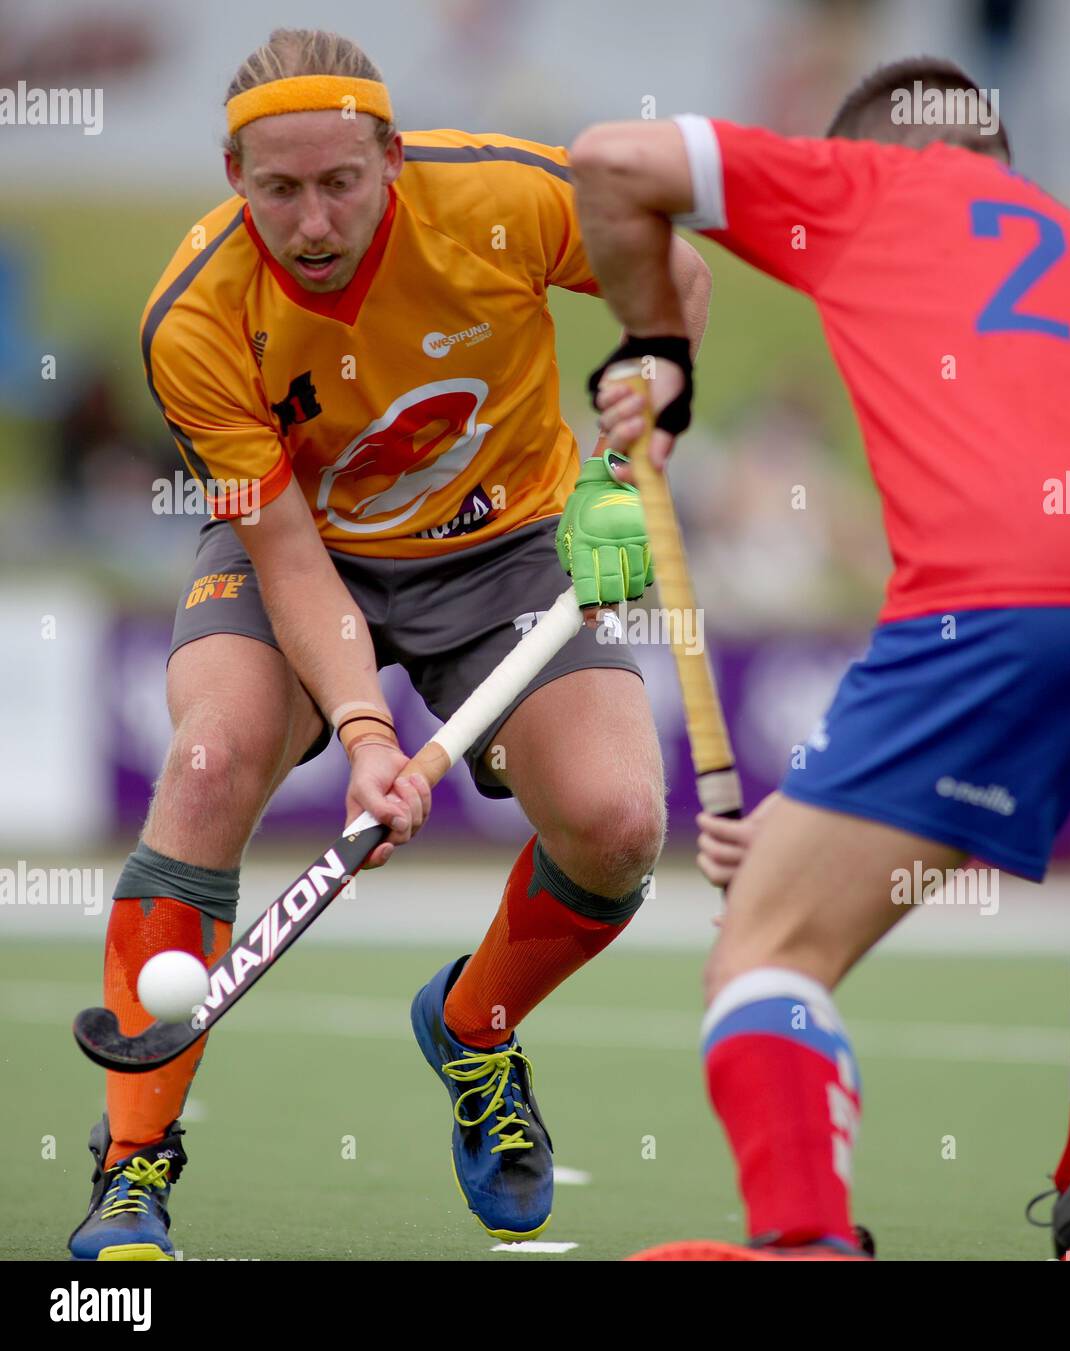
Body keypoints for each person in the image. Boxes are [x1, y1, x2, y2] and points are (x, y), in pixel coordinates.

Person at [569, 55, 1070, 1260]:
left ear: (876, 149)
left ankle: (805, 1240)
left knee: (768, 946)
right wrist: (805, 824)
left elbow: (607, 158)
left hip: (1020, 595)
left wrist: (657, 351)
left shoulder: (870, 184)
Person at [68, 26, 710, 1261]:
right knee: (208, 767)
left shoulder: (507, 200)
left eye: (341, 183)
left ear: (393, 158)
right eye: (278, 190)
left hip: (512, 546)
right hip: (306, 552)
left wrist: (635, 450)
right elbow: (291, 556)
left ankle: (471, 1028)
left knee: (620, 819)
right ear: (231, 175)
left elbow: (670, 283)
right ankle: (133, 1169)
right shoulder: (197, 318)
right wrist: (367, 731)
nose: (312, 220)